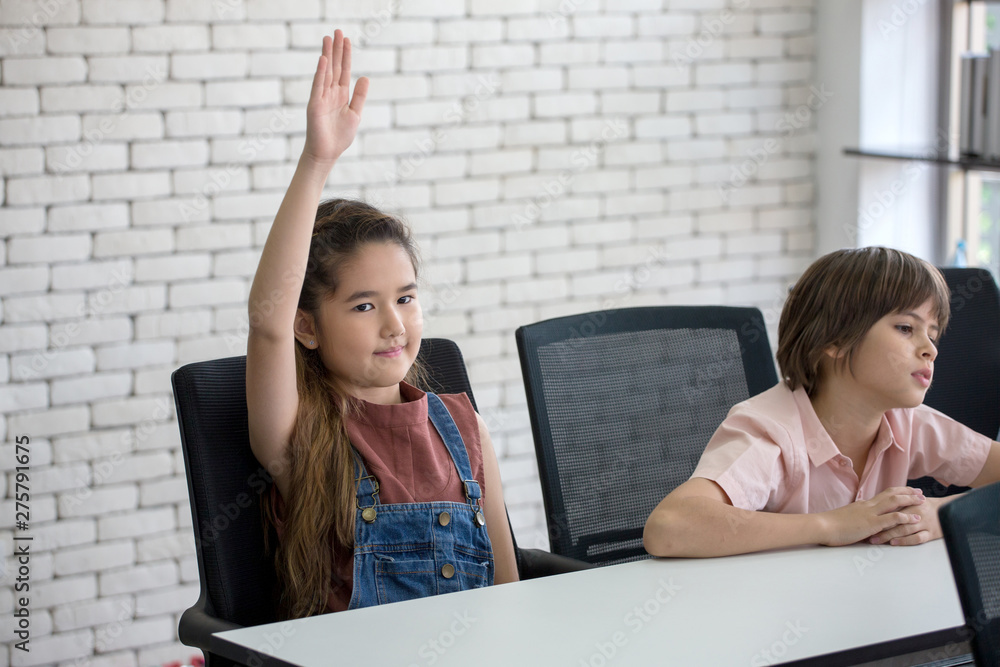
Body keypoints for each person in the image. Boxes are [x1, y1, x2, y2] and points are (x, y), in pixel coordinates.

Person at [246, 31, 518, 618]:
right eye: (364, 306)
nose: (395, 323)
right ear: (308, 327)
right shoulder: (303, 436)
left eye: (406, 297)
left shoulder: (462, 425)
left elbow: (506, 587)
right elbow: (266, 325)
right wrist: (317, 161)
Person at [644, 247, 1000, 558]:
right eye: (906, 328)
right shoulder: (772, 432)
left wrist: (944, 514)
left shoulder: (906, 422)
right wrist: (830, 526)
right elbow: (670, 526)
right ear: (836, 340)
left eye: (933, 334)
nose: (930, 349)